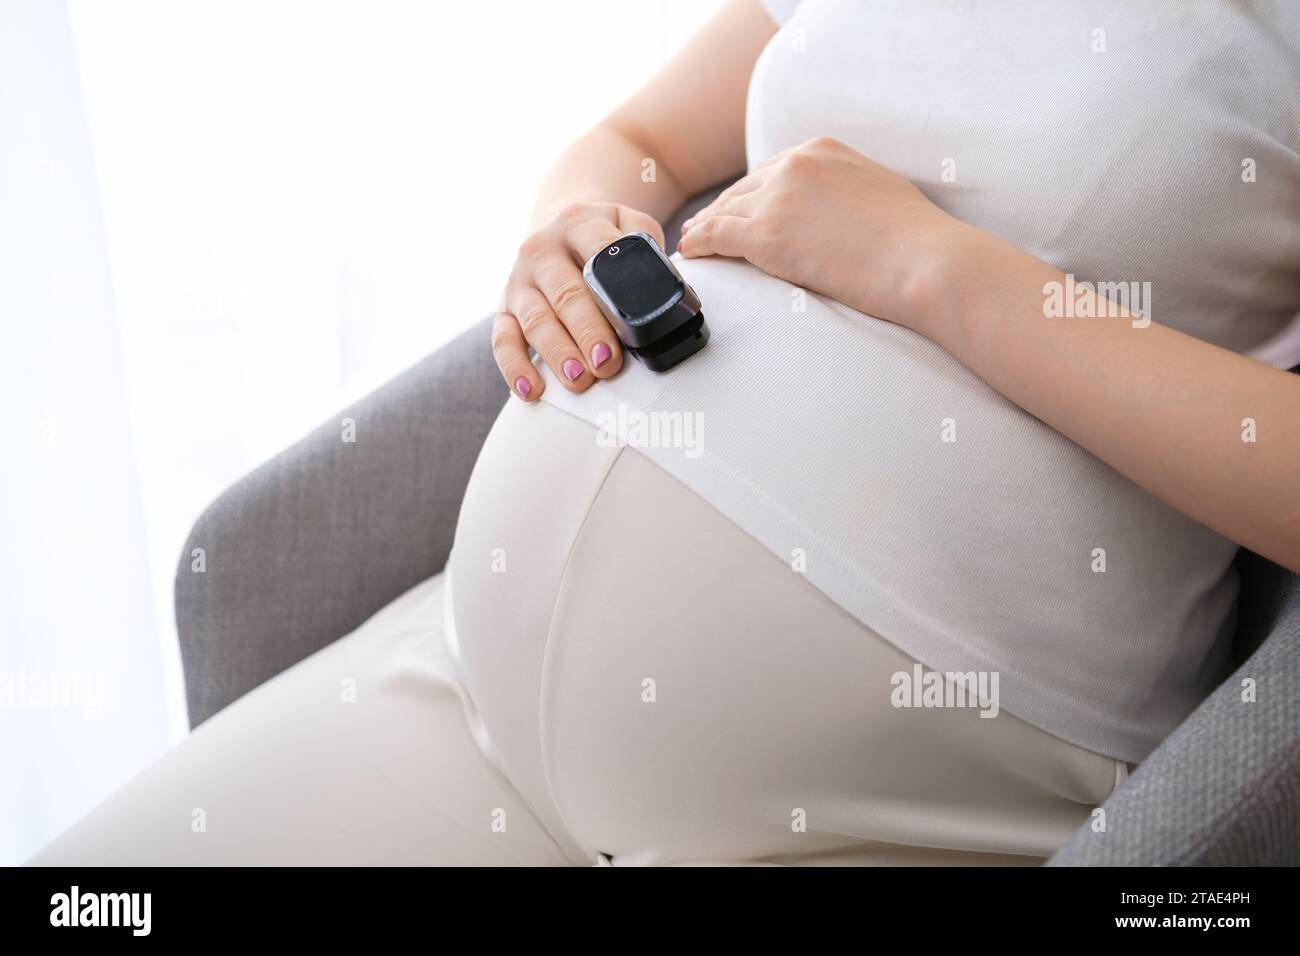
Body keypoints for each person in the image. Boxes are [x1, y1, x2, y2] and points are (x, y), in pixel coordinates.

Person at [31, 0, 1300, 866]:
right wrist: (570, 227)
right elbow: (638, 141)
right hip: (464, 681)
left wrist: (933, 268)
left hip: (899, 796)